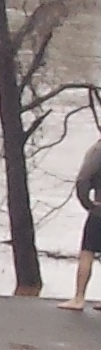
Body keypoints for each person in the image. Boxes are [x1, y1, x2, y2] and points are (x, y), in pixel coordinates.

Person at [72, 131, 101, 312]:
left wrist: (87, 204)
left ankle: (79, 298)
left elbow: (83, 179)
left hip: (100, 210)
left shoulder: (98, 150)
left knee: (87, 252)